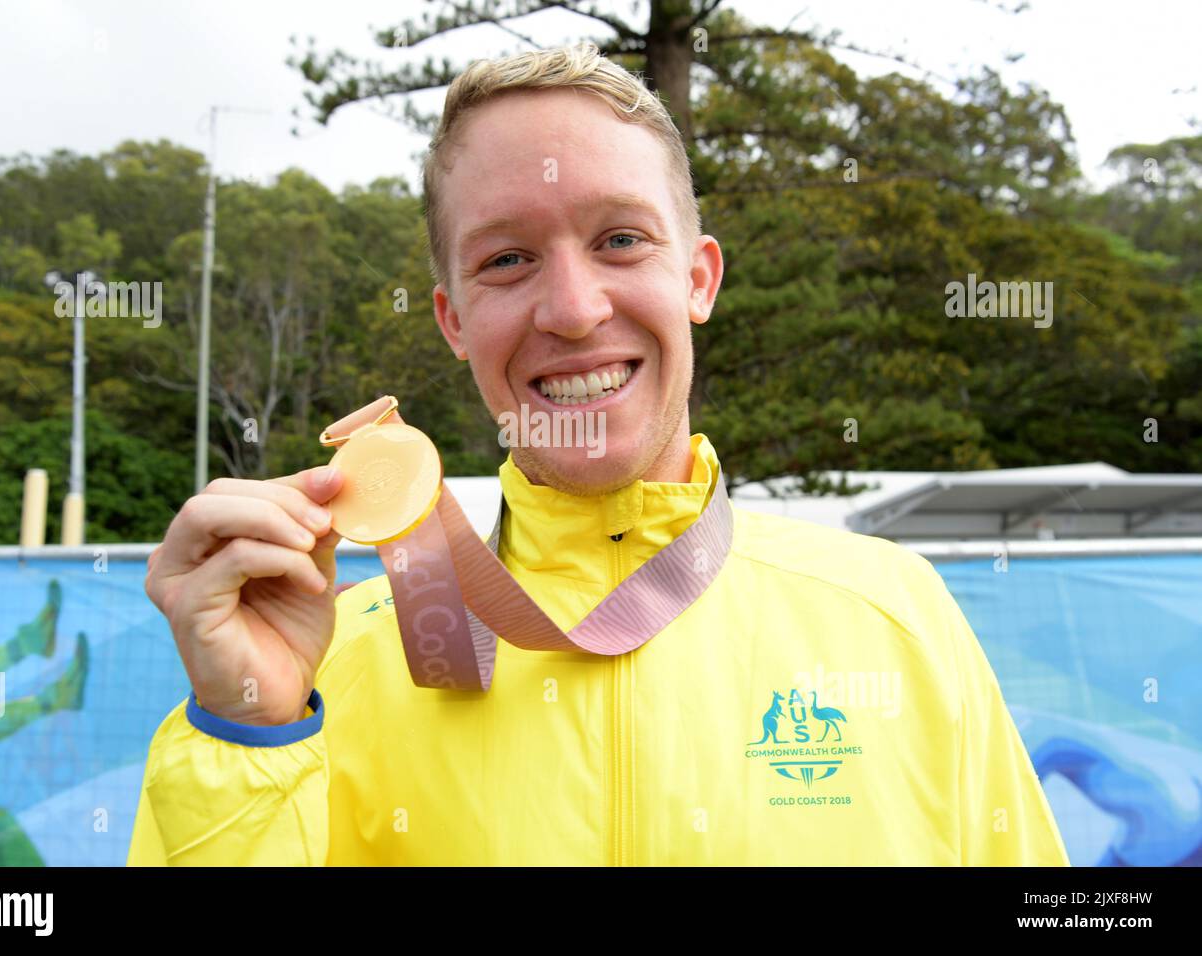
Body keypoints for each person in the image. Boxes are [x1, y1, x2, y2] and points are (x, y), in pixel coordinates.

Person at [128, 42, 1069, 866]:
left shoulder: (893, 618)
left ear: (697, 277)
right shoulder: (319, 670)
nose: (574, 309)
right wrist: (248, 732)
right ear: (453, 321)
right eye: (506, 260)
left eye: (621, 239)